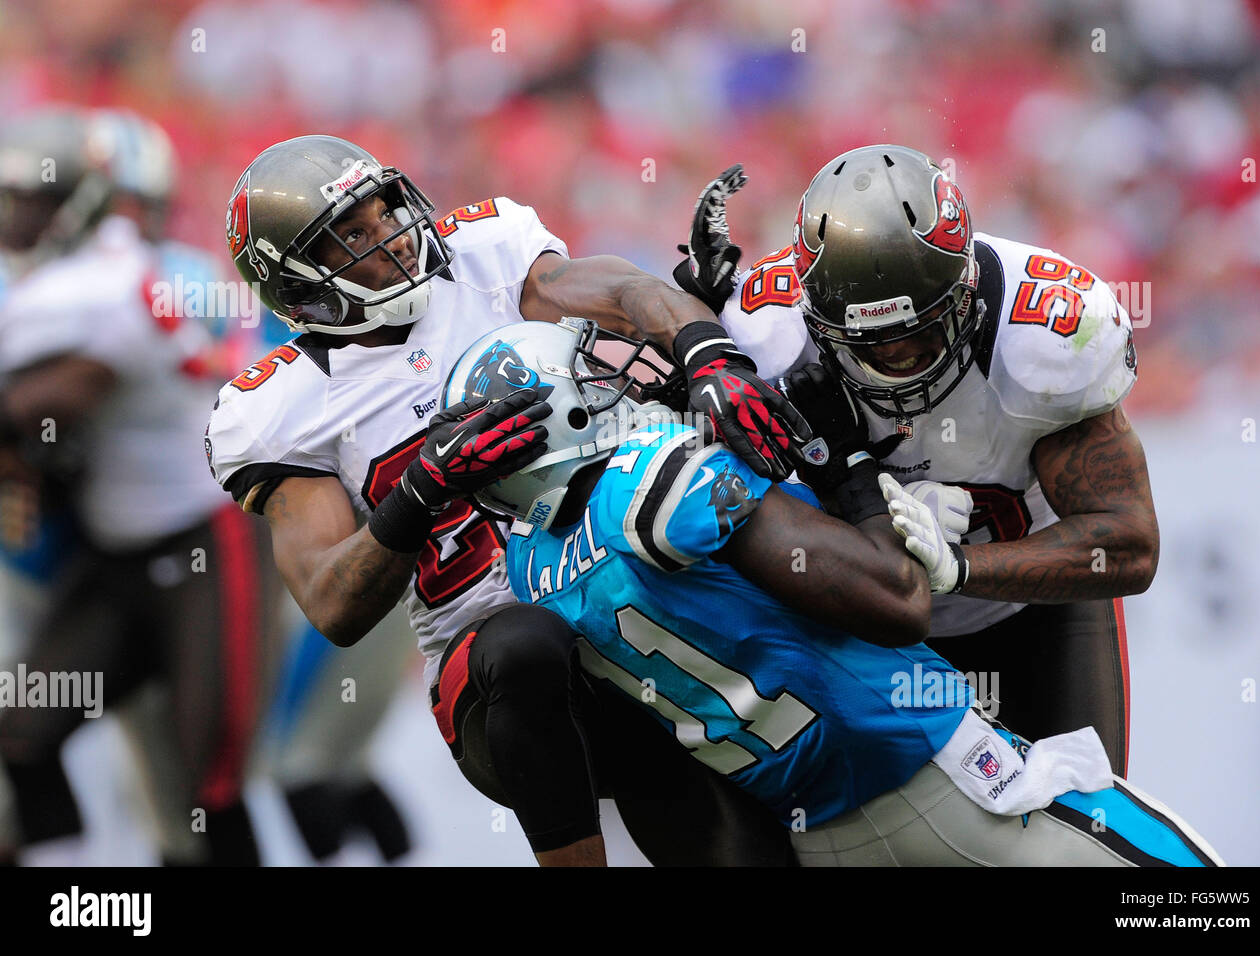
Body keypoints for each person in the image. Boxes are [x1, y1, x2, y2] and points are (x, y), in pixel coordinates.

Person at [205, 134, 805, 866]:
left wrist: (706, 349)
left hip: (628, 601)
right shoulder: (282, 406)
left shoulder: (486, 255)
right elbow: (334, 606)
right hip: (495, 678)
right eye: (352, 236)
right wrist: (423, 489)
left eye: (385, 211)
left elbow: (622, 291)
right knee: (525, 643)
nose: (391, 237)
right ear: (299, 282)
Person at [451, 316, 1220, 866]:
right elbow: (895, 601)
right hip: (943, 774)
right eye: (587, 375)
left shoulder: (532, 566)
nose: (613, 378)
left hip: (820, 831)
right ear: (564, 412)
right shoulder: (658, 478)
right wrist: (857, 476)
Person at [673, 147, 1152, 775]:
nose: (899, 359)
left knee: (1085, 826)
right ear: (817, 318)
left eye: (919, 333)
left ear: (966, 290)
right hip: (860, 626)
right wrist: (694, 328)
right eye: (871, 340)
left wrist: (957, 568)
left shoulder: (1047, 332)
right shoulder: (767, 333)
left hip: (1034, 615)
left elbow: (1127, 544)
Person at [0, 106, 282, 865]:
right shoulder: (76, 276)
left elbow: (61, 395)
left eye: (28, 198)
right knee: (21, 726)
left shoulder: (118, 276)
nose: (13, 217)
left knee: (209, 782)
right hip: (109, 551)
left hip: (206, 540)